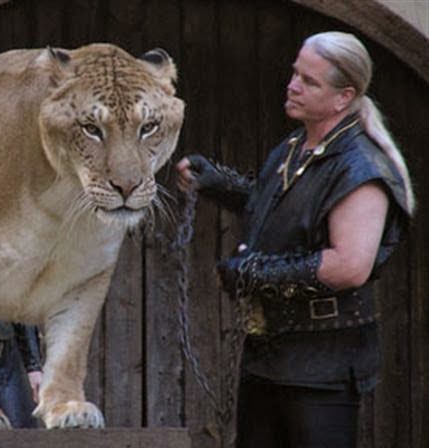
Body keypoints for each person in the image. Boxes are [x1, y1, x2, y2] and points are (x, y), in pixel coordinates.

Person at [176, 31, 414, 447]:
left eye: (310, 80)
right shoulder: (295, 148)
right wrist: (218, 185)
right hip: (269, 357)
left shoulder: (361, 170)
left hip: (323, 369)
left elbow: (349, 266)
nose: (293, 85)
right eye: (295, 72)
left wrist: (253, 274)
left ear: (343, 97)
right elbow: (285, 209)